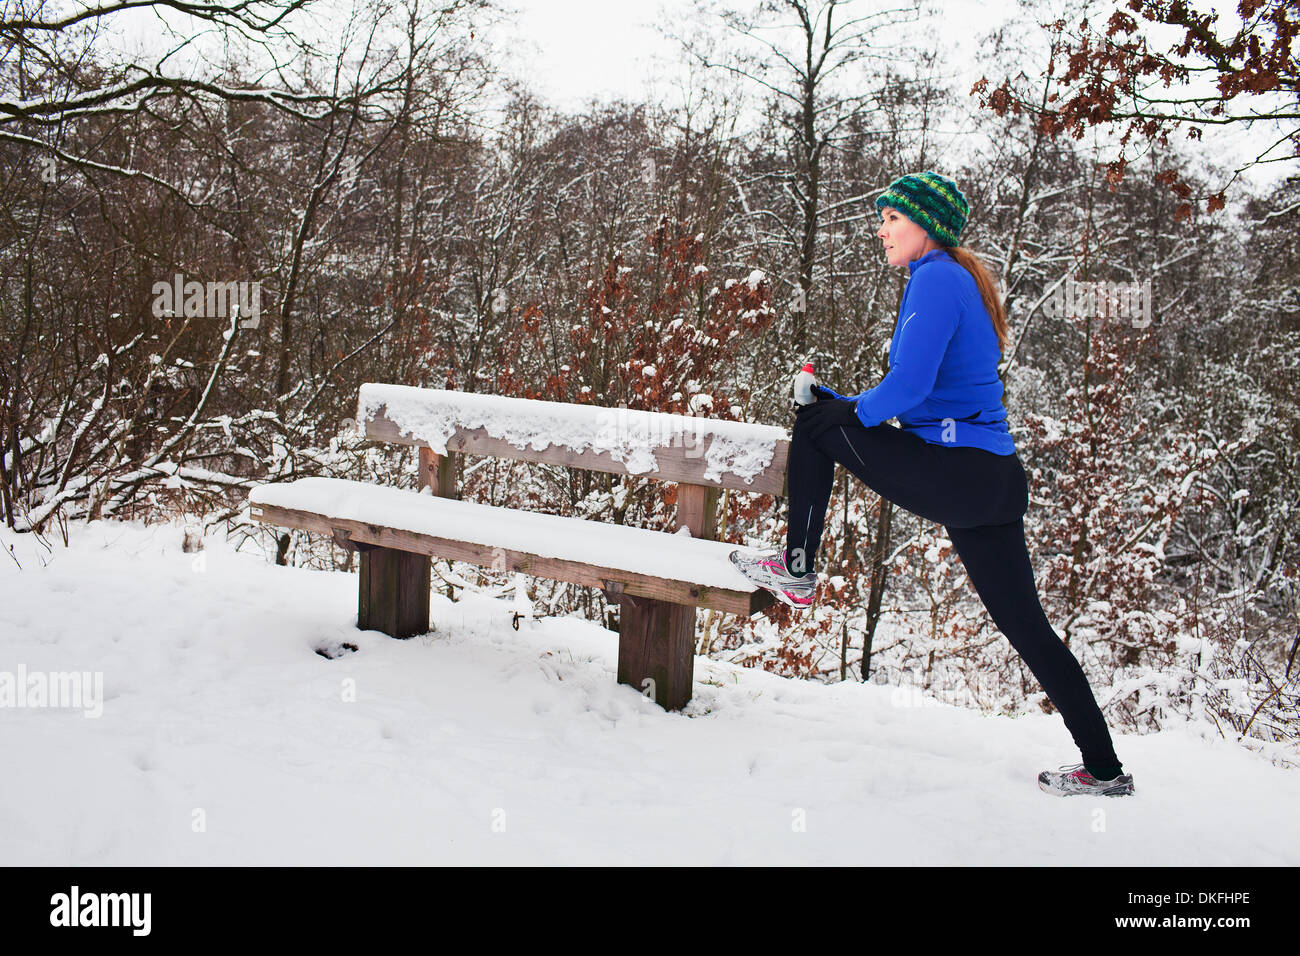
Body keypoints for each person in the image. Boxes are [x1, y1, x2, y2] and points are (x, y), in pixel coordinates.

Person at [729, 171, 1134, 797]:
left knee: (810, 425)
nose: (882, 229)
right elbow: (915, 396)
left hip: (957, 470)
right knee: (1028, 628)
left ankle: (798, 569)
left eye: (893, 218)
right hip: (992, 477)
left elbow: (909, 388)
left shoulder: (938, 278)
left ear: (926, 226)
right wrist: (847, 406)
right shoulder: (955, 277)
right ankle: (1104, 769)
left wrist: (837, 411)